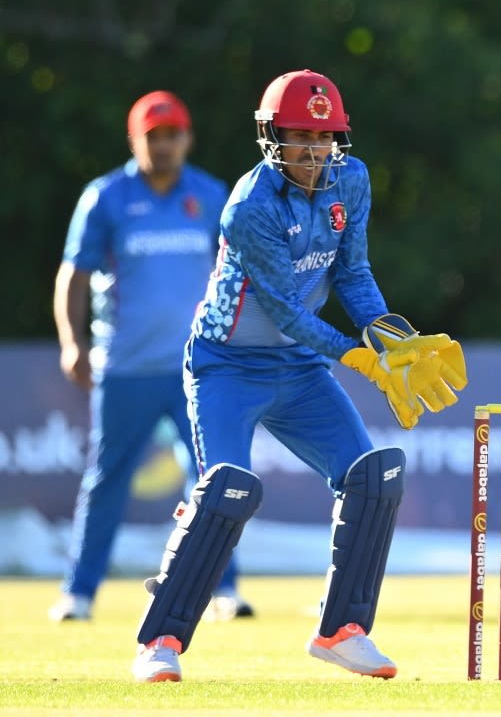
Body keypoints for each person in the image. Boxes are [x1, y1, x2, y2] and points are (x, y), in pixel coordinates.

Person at [129, 69, 467, 682]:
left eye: (325, 137)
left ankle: (343, 630)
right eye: (299, 137)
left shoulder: (352, 180)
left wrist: (390, 338)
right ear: (270, 136)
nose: (313, 153)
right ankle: (162, 642)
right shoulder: (248, 208)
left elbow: (353, 274)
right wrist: (355, 355)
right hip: (226, 364)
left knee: (374, 476)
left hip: (299, 367)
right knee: (225, 491)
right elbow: (284, 308)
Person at [50, 90, 253, 624]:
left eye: (172, 135)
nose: (163, 145)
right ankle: (79, 592)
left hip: (199, 367)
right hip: (125, 367)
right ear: (135, 141)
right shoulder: (106, 197)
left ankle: (224, 590)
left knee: (216, 479)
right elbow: (72, 275)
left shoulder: (211, 196)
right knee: (107, 480)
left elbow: (239, 276)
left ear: (187, 138)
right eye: (152, 136)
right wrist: (73, 342)